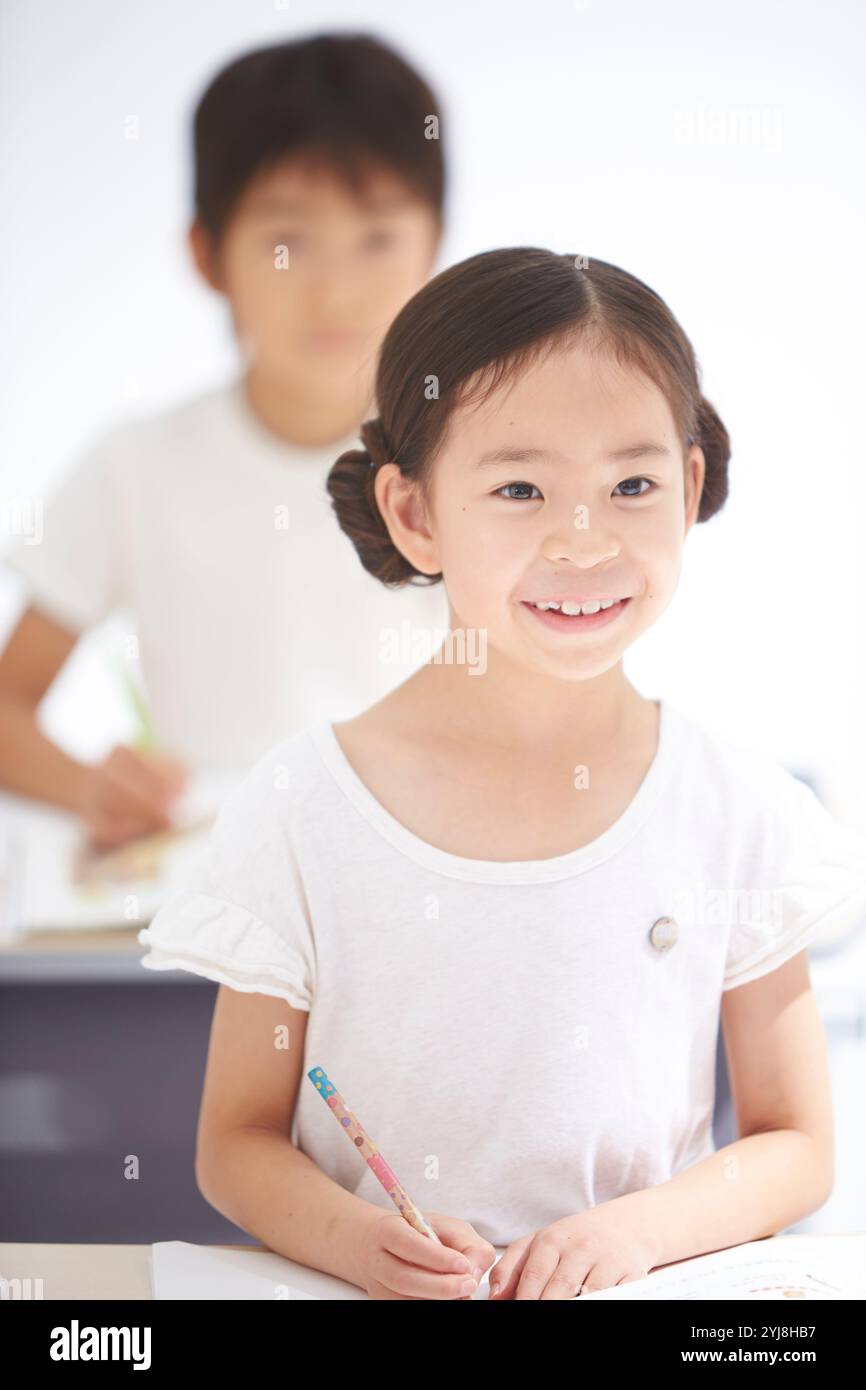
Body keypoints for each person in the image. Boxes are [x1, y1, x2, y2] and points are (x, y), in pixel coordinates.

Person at [138, 247, 866, 1299]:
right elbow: (236, 1142)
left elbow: (796, 1141)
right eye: (520, 488)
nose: (582, 542)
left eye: (630, 483)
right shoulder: (302, 810)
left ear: (690, 484)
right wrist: (353, 1240)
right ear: (415, 514)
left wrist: (635, 1234)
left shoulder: (736, 806)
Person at [0, 33, 448, 848]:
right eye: (290, 241)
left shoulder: (469, 466)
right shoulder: (135, 466)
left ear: (434, 249)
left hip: (415, 891)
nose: (336, 287)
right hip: (211, 895)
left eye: (377, 238)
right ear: (207, 254)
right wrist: (93, 789)